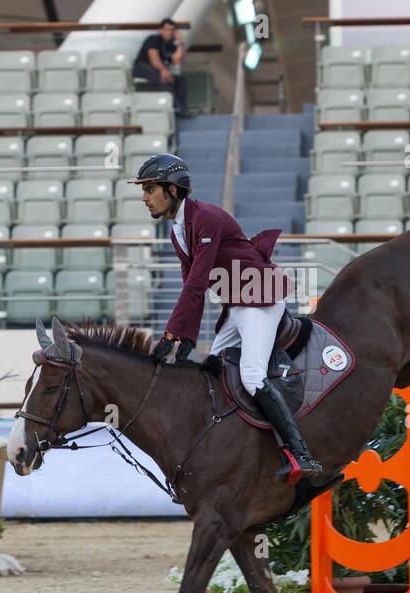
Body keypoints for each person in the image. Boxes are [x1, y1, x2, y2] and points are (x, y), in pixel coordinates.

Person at [133, 153, 323, 480]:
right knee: (216, 371)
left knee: (250, 375)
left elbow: (196, 283)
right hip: (237, 304)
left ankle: (300, 453)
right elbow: (191, 285)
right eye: (144, 190)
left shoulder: (205, 218)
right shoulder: (177, 231)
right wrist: (185, 339)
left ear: (173, 189)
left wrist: (171, 335)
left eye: (150, 189)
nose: (145, 197)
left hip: (260, 299)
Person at [132, 18, 189, 114]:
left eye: (172, 30)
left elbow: (177, 61)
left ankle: (182, 107)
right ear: (161, 30)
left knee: (180, 79)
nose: (169, 32)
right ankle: (171, 107)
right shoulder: (154, 39)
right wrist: (163, 70)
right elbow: (153, 57)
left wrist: (180, 43)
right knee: (164, 77)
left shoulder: (170, 45)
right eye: (167, 29)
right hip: (142, 67)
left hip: (156, 70)